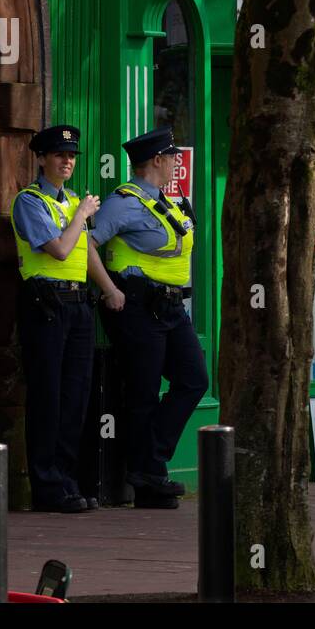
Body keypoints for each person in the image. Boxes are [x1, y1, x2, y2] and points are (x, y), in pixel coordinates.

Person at [91, 127, 208, 508]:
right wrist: (110, 290)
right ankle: (149, 479)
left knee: (193, 379)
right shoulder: (123, 202)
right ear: (156, 160)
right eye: (172, 157)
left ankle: (148, 465)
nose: (176, 162)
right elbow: (86, 244)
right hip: (138, 306)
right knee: (142, 393)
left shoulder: (168, 202)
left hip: (172, 307)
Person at [11, 124, 126, 513]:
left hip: (78, 306)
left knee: (75, 396)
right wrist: (80, 215)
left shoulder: (73, 201)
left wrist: (109, 288)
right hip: (46, 305)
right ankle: (47, 487)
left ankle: (67, 481)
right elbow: (60, 249)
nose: (67, 162)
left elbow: (85, 252)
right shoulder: (30, 201)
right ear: (41, 158)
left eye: (72, 156)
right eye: (59, 155)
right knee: (48, 395)